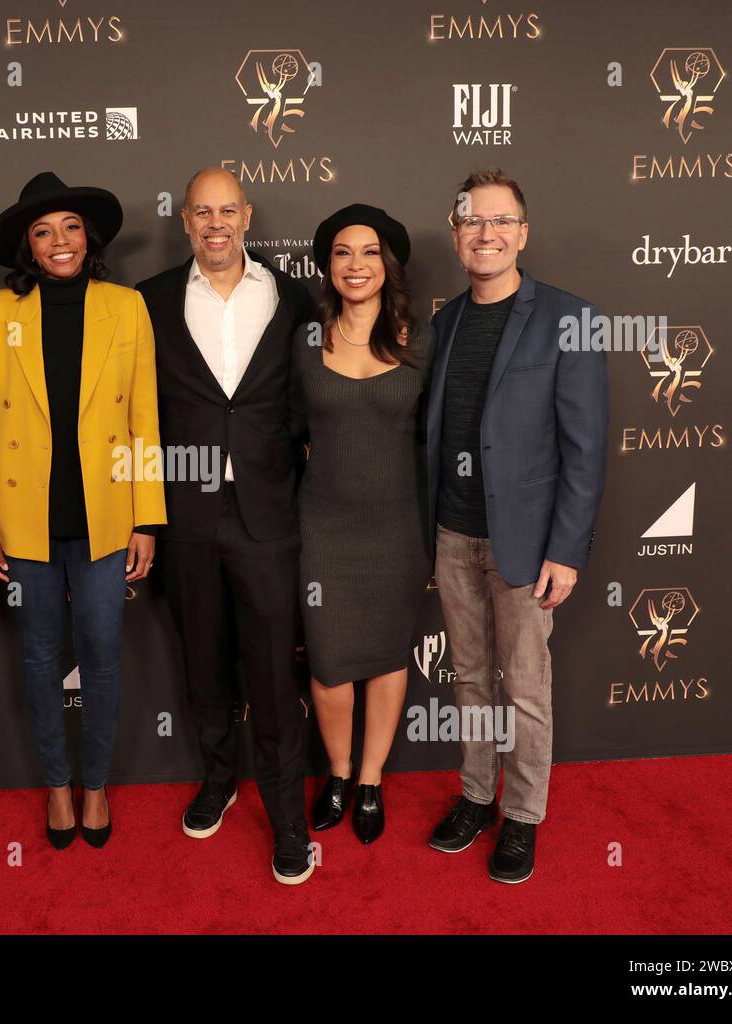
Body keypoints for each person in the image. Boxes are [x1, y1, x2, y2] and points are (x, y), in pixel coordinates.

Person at [0, 171, 166, 850]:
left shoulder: (126, 306)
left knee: (104, 655)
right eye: (44, 231)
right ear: (29, 245)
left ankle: (97, 784)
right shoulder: (0, 312)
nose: (60, 241)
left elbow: (144, 415)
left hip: (107, 518)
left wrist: (146, 517)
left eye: (71, 228)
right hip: (24, 523)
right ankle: (57, 785)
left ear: (90, 237)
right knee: (38, 655)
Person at [425, 169, 608, 883]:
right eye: (473, 221)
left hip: (528, 545)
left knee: (525, 686)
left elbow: (585, 449)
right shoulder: (445, 322)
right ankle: (476, 795)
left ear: (522, 233)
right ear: (456, 233)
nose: (486, 233)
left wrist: (566, 549)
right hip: (451, 533)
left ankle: (523, 817)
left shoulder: (569, 317)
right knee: (470, 679)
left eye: (500, 222)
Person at [137, 167, 315, 885]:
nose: (216, 223)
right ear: (184, 220)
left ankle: (287, 818)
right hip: (187, 516)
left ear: (248, 215)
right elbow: (134, 411)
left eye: (227, 210)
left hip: (269, 517)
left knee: (274, 676)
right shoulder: (148, 302)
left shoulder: (292, 297)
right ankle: (218, 779)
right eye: (201, 212)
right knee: (204, 664)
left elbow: (308, 400)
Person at [291, 204, 431, 845]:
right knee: (329, 661)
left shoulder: (419, 340)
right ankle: (339, 775)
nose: (356, 264)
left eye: (369, 252)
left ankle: (372, 779)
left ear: (388, 264)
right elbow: (285, 430)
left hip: (397, 527)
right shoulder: (304, 339)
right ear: (328, 265)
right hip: (322, 527)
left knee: (386, 659)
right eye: (343, 252)